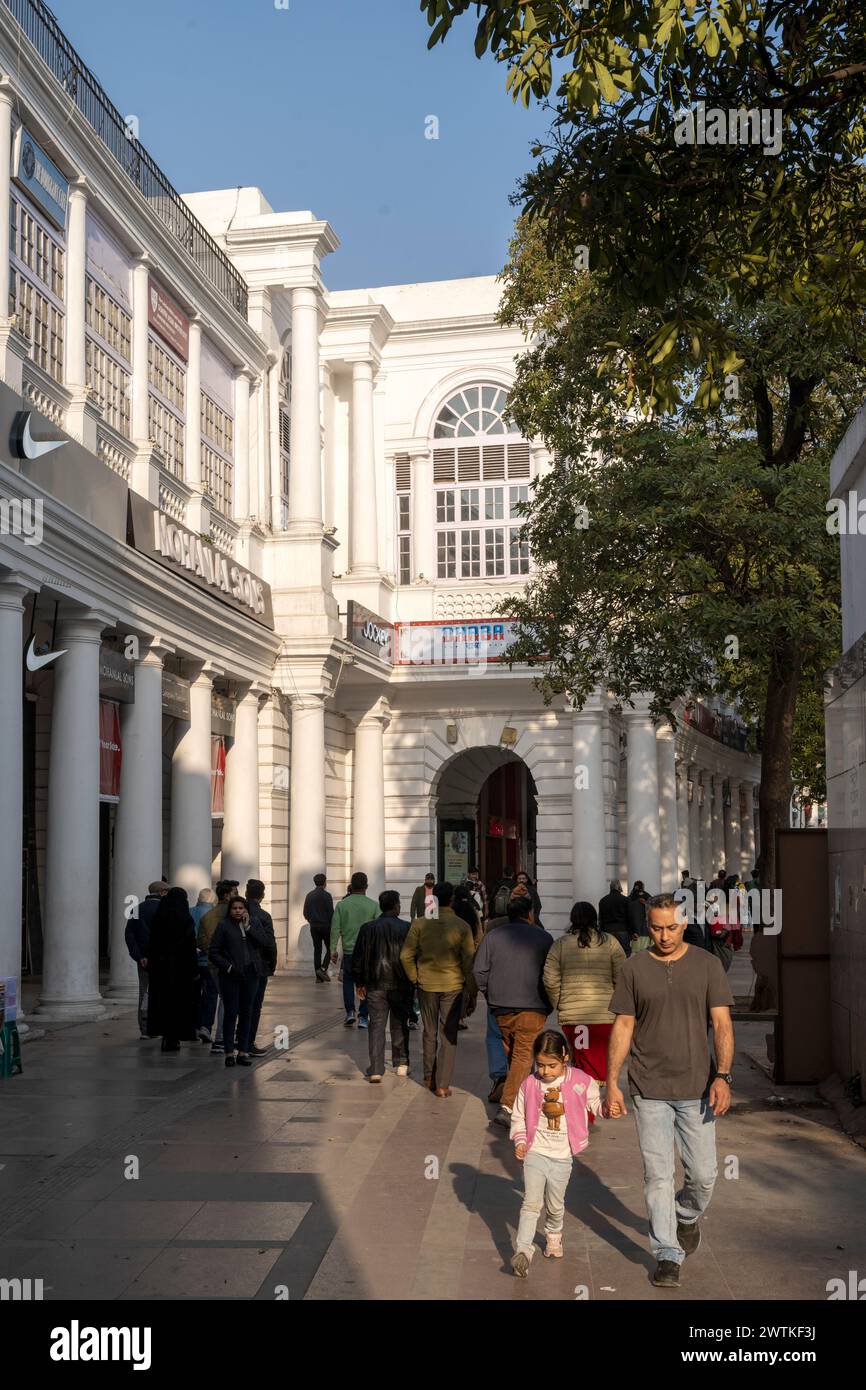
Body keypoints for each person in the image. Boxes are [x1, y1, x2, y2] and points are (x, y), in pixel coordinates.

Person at [604, 892, 735, 1288]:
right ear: (649, 926)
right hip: (649, 1087)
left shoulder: (708, 966)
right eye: (657, 928)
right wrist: (611, 1081)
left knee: (704, 1175)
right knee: (658, 1175)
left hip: (698, 1086)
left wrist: (723, 1076)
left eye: (673, 927)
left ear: (684, 924)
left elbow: (723, 1025)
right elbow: (623, 1026)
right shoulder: (633, 969)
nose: (664, 935)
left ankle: (687, 1215)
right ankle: (666, 1254)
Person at [509, 1029, 603, 1277]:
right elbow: (518, 1115)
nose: (545, 1072)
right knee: (531, 1203)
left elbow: (595, 1101)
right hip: (535, 1153)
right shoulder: (530, 1084)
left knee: (555, 1204)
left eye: (552, 1066)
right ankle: (523, 1250)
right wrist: (520, 1140)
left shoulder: (579, 1081)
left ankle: (553, 1236)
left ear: (565, 1057)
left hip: (562, 1156)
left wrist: (607, 1108)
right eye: (540, 1065)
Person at [472, 888, 554, 1128]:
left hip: (501, 1006)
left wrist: (489, 993)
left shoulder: (493, 937)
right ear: (529, 914)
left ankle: (521, 1100)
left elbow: (479, 971)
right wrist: (550, 1002)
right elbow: (550, 974)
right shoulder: (543, 937)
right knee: (520, 1054)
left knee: (515, 1053)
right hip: (532, 1004)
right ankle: (508, 1107)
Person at [400, 881, 477, 1096]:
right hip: (453, 984)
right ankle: (443, 1084)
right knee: (448, 1034)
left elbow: (405, 955)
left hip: (426, 983)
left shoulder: (421, 924)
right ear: (451, 899)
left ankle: (428, 1075)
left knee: (429, 1031)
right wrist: (472, 990)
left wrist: (415, 977)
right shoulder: (462, 926)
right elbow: (469, 962)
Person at [543, 901, 625, 1082]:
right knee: (600, 1064)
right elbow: (623, 977)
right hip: (604, 1016)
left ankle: (583, 1105)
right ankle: (593, 1104)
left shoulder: (561, 944)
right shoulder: (610, 942)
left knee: (581, 1064)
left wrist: (559, 1004)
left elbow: (550, 979)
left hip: (575, 1019)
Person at [353, 890, 413, 1082]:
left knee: (376, 1025)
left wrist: (359, 982)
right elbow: (413, 957)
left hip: (375, 983)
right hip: (400, 983)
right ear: (396, 906)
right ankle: (402, 1063)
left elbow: (358, 958)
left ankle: (377, 1068)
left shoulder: (367, 928)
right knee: (399, 1023)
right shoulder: (406, 928)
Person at [146, 886, 200, 1052]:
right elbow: (190, 949)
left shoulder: (159, 919)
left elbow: (152, 946)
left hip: (161, 972)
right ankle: (175, 1037)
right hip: (181, 973)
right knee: (179, 1005)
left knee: (162, 1004)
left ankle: (165, 1036)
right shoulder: (186, 920)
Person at [209, 896, 260, 1068]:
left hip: (251, 975)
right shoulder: (224, 926)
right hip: (231, 976)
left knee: (247, 1013)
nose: (238, 911)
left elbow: (263, 943)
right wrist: (229, 967)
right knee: (231, 1013)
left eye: (241, 908)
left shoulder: (253, 924)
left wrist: (248, 928)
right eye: (234, 908)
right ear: (230, 910)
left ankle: (243, 1051)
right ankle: (229, 1052)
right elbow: (214, 952)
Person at [330, 871, 379, 1027]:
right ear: (366, 886)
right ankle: (363, 1017)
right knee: (365, 983)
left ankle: (350, 1011)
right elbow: (379, 928)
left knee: (348, 982)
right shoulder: (373, 905)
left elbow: (335, 929)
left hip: (350, 952)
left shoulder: (342, 905)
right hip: (368, 953)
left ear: (351, 885)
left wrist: (333, 949)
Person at [125, 880, 168, 1038]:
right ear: (162, 892)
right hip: (162, 960)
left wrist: (139, 956)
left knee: (144, 992)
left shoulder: (136, 908)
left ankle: (144, 1028)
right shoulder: (165, 909)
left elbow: (129, 935)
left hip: (143, 960)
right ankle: (159, 1026)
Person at [198, 880, 236, 1054]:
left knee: (221, 997)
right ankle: (221, 1038)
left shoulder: (207, 916)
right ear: (227, 895)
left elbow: (201, 941)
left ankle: (218, 1034)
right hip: (230, 965)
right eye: (235, 893)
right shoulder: (233, 915)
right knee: (228, 1001)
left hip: (212, 963)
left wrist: (213, 954)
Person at [246, 879, 278, 1055]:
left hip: (239, 965)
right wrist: (272, 966)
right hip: (259, 967)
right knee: (254, 1006)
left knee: (239, 1005)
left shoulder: (235, 913)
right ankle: (248, 1042)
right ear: (262, 895)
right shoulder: (264, 916)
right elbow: (270, 945)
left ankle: (232, 1040)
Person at [452, 883, 483, 1029]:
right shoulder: (472, 912)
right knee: (463, 986)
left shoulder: (451, 912)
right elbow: (479, 936)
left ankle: (448, 1015)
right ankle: (460, 1017)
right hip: (467, 954)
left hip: (450, 953)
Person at [191, 887, 218, 1043]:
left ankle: (193, 1027)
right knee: (210, 994)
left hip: (192, 961)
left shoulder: (189, 911)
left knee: (193, 994)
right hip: (209, 961)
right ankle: (205, 1027)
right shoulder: (214, 915)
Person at [303, 873, 334, 982]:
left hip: (314, 926)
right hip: (326, 926)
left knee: (317, 950)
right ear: (325, 882)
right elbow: (331, 913)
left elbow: (305, 912)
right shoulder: (327, 895)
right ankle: (323, 969)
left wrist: (311, 920)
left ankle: (318, 977)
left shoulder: (309, 895)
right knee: (330, 948)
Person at [598, 879, 632, 957]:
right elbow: (629, 917)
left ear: (610, 887)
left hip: (608, 930)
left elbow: (601, 918)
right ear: (619, 887)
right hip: (622, 929)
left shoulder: (603, 900)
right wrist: (632, 932)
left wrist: (600, 931)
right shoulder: (625, 900)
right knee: (625, 953)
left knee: (609, 953)